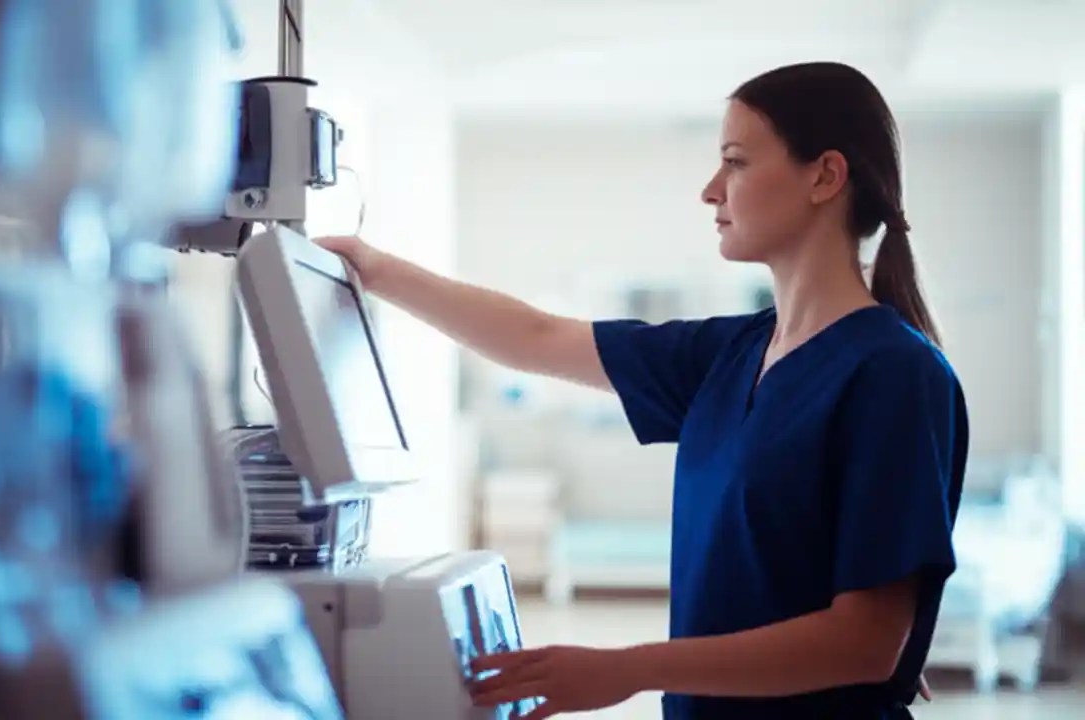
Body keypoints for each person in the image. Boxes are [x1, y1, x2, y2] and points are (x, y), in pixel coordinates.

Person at [317, 61, 967, 720]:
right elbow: (537, 337)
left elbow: (865, 644)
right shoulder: (731, 353)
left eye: (735, 162)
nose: (710, 191)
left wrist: (627, 668)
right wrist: (374, 270)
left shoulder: (893, 373)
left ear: (824, 176)